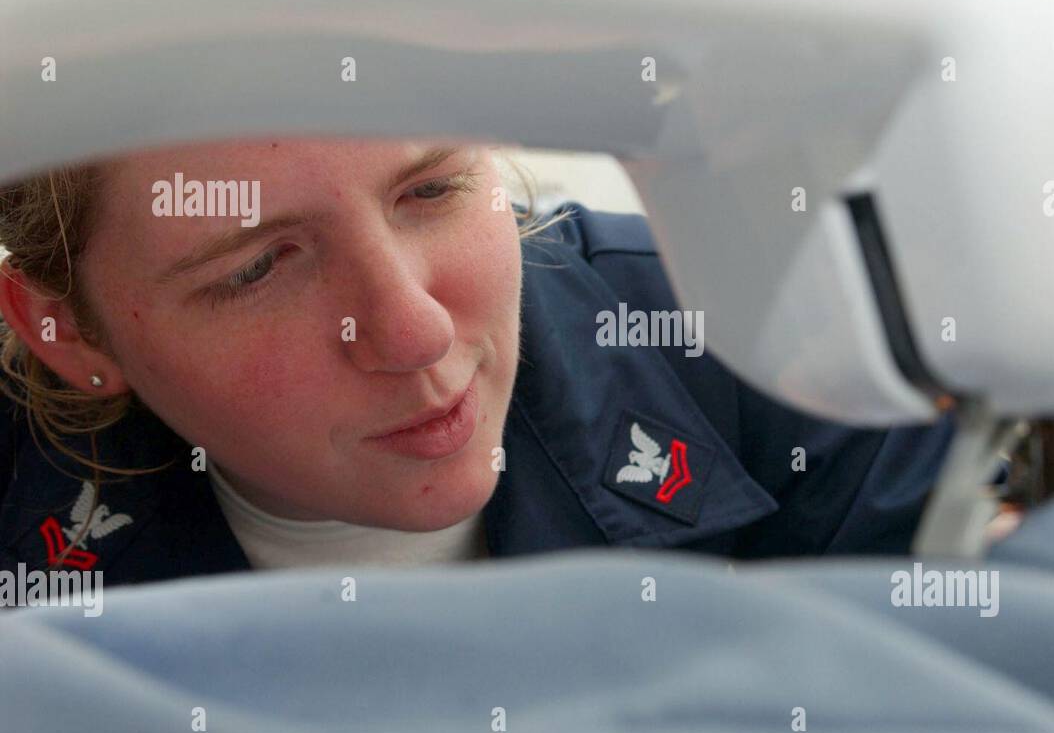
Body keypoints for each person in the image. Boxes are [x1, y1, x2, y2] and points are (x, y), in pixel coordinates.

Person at [0, 138, 953, 584]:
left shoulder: (743, 328)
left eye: (435, 189)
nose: (413, 331)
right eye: (255, 268)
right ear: (67, 332)